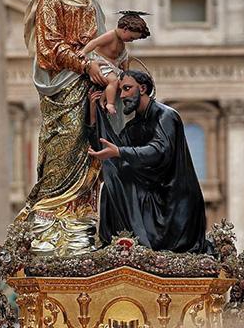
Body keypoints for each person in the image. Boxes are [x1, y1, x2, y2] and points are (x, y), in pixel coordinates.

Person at [13, 0, 109, 256]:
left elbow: (99, 41)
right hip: (63, 86)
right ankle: (51, 219)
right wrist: (85, 65)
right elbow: (49, 47)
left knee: (91, 146)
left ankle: (81, 215)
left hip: (89, 83)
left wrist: (102, 62)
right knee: (64, 144)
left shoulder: (88, 0)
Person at [87, 70, 213, 254]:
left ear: (143, 88)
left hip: (171, 200)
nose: (122, 96)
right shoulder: (133, 126)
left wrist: (120, 152)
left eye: (127, 89)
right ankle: (117, 244)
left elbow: (159, 150)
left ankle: (136, 245)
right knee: (114, 177)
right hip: (150, 192)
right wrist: (94, 113)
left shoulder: (166, 116)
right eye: (121, 91)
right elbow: (110, 148)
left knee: (121, 178)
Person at [80, 13, 150, 116]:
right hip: (102, 63)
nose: (131, 41)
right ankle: (110, 104)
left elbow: (123, 59)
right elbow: (94, 43)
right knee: (113, 81)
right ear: (125, 29)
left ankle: (102, 99)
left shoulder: (122, 43)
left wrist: (126, 74)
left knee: (122, 83)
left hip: (113, 67)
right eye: (131, 38)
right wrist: (83, 52)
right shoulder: (111, 35)